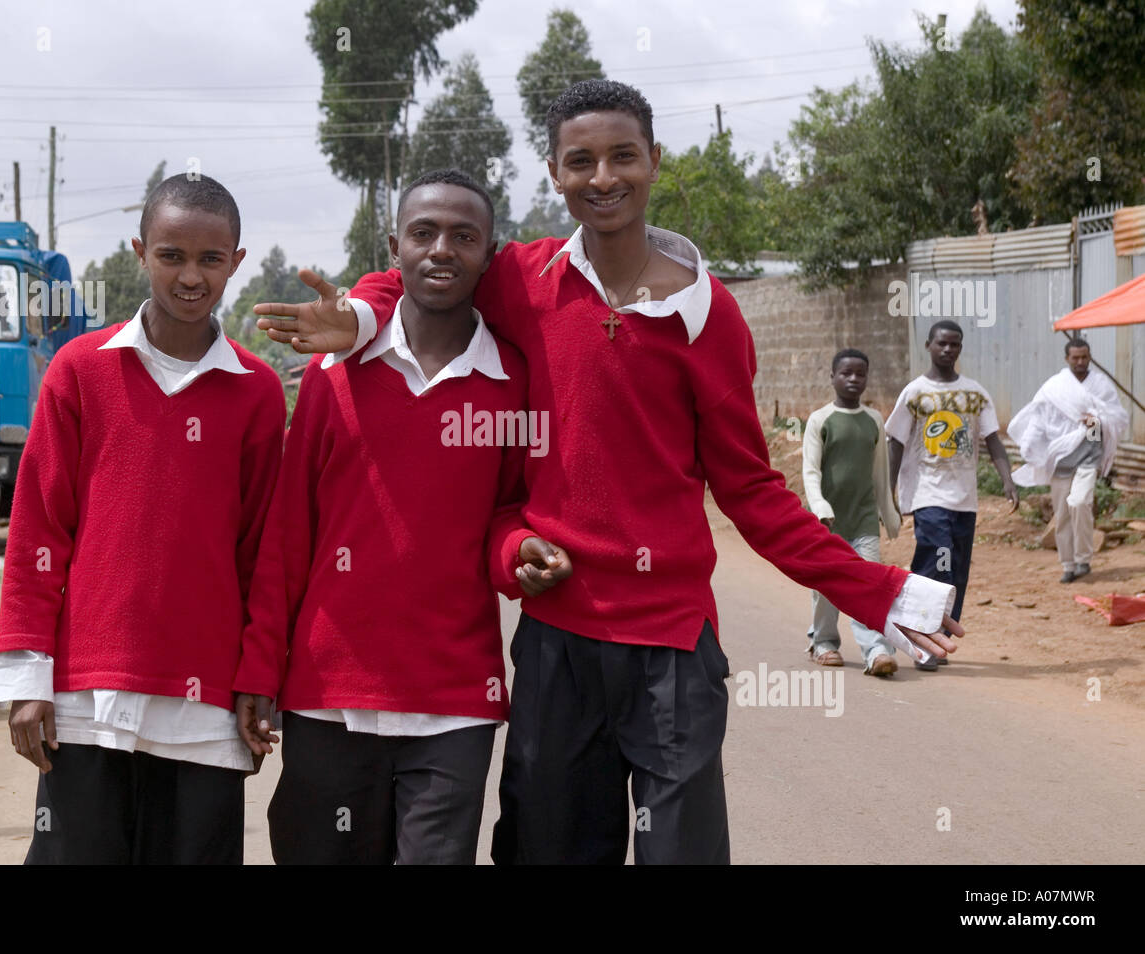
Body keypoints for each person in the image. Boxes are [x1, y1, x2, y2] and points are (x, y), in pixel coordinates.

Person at [255, 80, 960, 865]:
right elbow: (427, 272)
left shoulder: (709, 315)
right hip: (557, 644)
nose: (603, 178)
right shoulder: (523, 281)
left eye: (623, 156)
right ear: (554, 174)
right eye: (580, 161)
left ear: (656, 161)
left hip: (673, 649)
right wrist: (357, 316)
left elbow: (752, 491)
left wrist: (877, 589)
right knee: (546, 848)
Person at [253, 169, 571, 865]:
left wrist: (518, 550)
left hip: (454, 697)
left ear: (490, 254)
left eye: (464, 236)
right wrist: (260, 669)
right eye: (423, 233)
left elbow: (510, 508)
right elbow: (287, 536)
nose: (441, 250)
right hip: (326, 693)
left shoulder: (514, 383)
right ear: (394, 246)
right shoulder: (332, 376)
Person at [0, 174, 287, 864]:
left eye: (210, 260)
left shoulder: (257, 391)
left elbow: (264, 550)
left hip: (206, 706)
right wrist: (28, 679)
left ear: (236, 261)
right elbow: (39, 529)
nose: (191, 276)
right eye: (171, 255)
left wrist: (258, 676)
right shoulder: (78, 372)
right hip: (87, 703)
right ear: (139, 252)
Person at [886, 319, 1018, 671]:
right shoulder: (915, 392)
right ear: (928, 345)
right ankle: (923, 643)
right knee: (936, 565)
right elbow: (896, 442)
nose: (948, 350)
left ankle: (938, 638)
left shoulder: (975, 393)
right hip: (928, 495)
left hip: (965, 499)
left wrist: (1007, 480)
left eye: (955, 344)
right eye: (942, 343)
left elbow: (993, 440)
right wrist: (889, 490)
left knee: (956, 572)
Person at [802, 348, 903, 677]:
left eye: (860, 374)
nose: (853, 379)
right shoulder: (820, 420)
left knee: (868, 584)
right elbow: (810, 472)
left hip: (863, 519)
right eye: (846, 373)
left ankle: (876, 650)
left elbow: (880, 472)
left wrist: (889, 514)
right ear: (832, 377)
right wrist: (818, 505)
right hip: (828, 521)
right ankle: (824, 642)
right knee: (828, 585)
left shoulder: (873, 420)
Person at [1007, 337, 1128, 583]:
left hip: (1088, 458)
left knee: (1081, 502)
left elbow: (1116, 418)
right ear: (1067, 359)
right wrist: (1031, 448)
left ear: (1090, 356)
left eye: (1085, 357)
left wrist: (1097, 422)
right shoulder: (1054, 387)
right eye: (1076, 358)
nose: (1081, 361)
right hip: (1060, 460)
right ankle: (1069, 564)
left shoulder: (1101, 385)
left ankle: (1084, 558)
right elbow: (1039, 419)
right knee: (1062, 514)